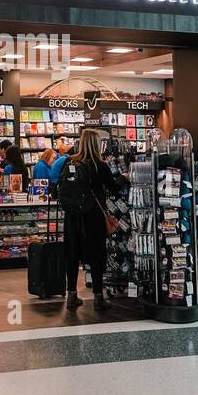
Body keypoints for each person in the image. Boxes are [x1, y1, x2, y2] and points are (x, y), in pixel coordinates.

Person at [57, 129, 122, 311]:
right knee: (96, 255)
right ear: (96, 145)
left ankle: (71, 295)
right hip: (92, 216)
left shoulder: (69, 162)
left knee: (72, 254)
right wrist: (123, 180)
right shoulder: (98, 165)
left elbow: (58, 187)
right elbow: (114, 187)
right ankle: (98, 297)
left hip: (72, 216)